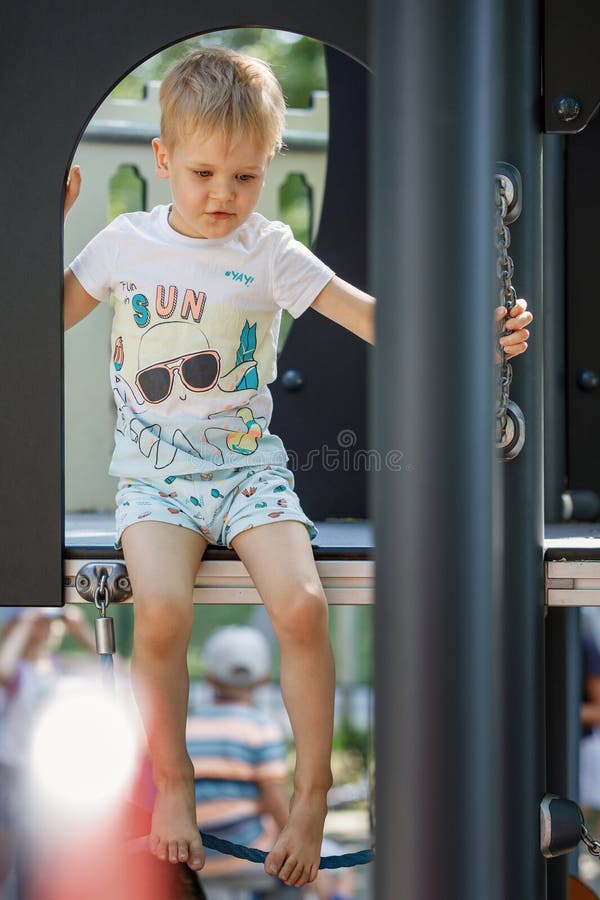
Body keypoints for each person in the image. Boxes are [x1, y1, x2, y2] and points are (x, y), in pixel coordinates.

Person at [62, 46, 533, 888]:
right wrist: (34, 224)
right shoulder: (122, 243)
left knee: (304, 605)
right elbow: (47, 311)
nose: (221, 197)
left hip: (249, 472)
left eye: (244, 178)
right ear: (163, 157)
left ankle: (311, 793)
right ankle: (174, 782)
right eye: (203, 172)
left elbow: (374, 319)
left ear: (269, 167)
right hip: (154, 476)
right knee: (161, 612)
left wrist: (477, 328)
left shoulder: (269, 249)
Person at [0, 606, 96, 899]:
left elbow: (110, 669)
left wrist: (82, 632)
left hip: (44, 776)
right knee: (6, 861)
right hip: (10, 774)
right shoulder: (17, 669)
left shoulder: (57, 666)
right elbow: (4, 671)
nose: (50, 628)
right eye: (42, 622)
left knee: (41, 862)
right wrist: (24, 625)